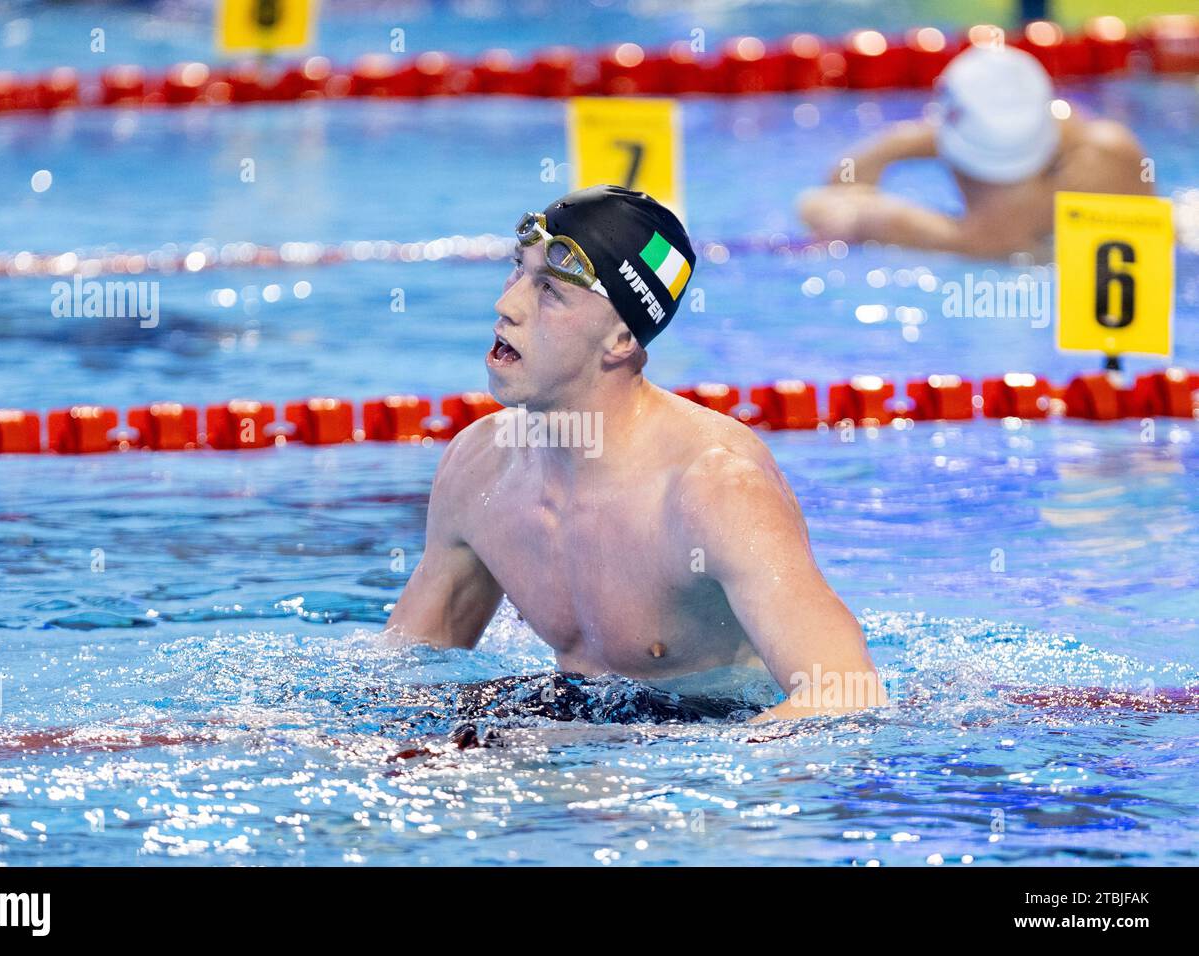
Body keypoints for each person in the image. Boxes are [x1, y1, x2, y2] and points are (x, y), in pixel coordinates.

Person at [383, 185, 886, 722]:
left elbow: (846, 697)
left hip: (707, 737)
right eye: (517, 271)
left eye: (550, 291)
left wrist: (705, 772)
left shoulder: (714, 488)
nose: (505, 305)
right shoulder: (480, 466)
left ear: (622, 338)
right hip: (580, 729)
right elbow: (405, 673)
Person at [797, 44, 1152, 257]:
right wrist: (908, 143)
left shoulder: (1099, 164)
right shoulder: (1101, 144)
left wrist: (871, 219)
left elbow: (823, 204)